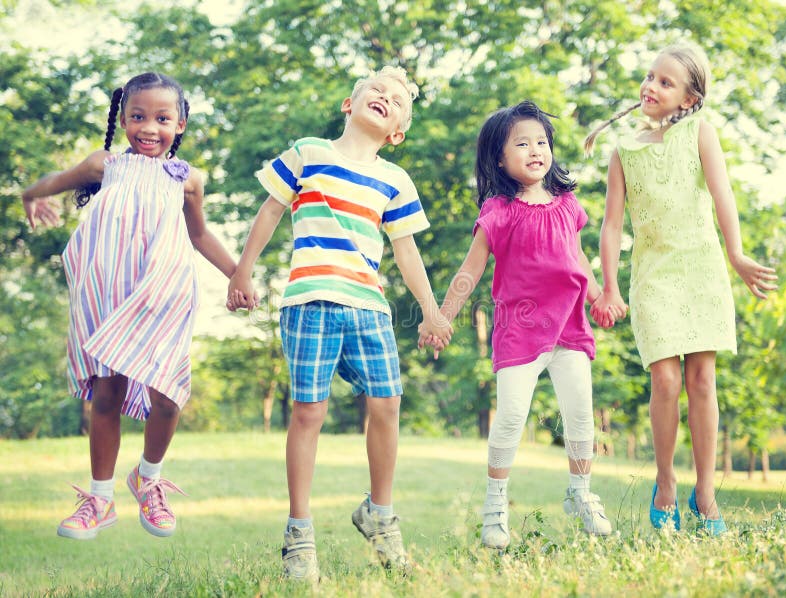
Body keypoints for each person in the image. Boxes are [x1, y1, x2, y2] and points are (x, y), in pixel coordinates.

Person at [226, 65, 452, 581]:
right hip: (309, 300)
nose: (383, 96)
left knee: (387, 403)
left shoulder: (395, 179)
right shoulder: (309, 153)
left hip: (369, 307)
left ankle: (379, 514)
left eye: (395, 99)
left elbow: (406, 249)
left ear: (397, 132)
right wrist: (242, 270)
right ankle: (299, 535)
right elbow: (269, 211)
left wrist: (433, 311)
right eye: (375, 89)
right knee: (309, 413)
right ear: (349, 104)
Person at [22, 72, 240, 540]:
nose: (149, 127)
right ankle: (99, 499)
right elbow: (53, 182)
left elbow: (200, 235)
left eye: (162, 118)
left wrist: (238, 274)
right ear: (122, 119)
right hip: (107, 294)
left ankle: (148, 476)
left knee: (168, 394)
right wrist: (30, 194)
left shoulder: (188, 180)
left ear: (179, 124)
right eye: (138, 116)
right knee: (107, 394)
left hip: (164, 294)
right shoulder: (105, 165)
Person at [585, 44, 778, 535]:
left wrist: (736, 255)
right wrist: (609, 285)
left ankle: (706, 492)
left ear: (689, 98)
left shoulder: (700, 133)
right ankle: (666, 481)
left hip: (701, 269)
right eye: (650, 76)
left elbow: (722, 195)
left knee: (702, 382)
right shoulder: (624, 152)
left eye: (665, 82)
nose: (651, 86)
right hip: (653, 277)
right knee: (666, 381)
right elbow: (611, 227)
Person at [427, 100, 616, 549]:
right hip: (520, 330)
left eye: (542, 142)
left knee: (581, 416)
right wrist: (440, 317)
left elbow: (579, 262)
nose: (536, 149)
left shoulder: (569, 207)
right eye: (522, 143)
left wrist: (600, 296)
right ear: (500, 157)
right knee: (512, 415)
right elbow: (470, 272)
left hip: (569, 329)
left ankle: (580, 494)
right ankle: (495, 505)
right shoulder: (498, 211)